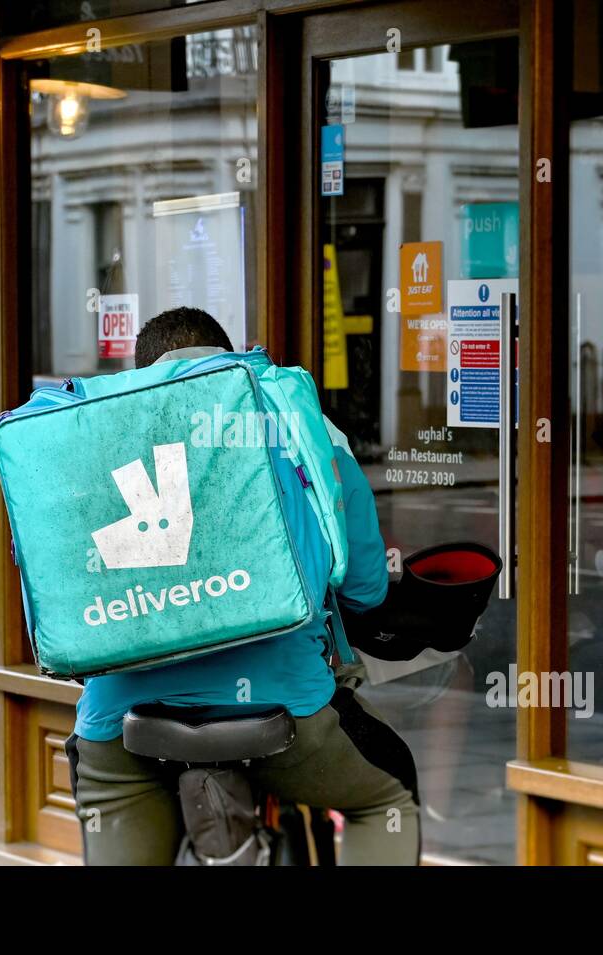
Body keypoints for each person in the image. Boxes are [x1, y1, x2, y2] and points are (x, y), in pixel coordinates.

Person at [65, 306, 421, 865]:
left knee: (113, 791)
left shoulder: (95, 444)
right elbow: (365, 592)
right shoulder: (304, 428)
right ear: (228, 357)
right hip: (283, 708)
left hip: (124, 720)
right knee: (385, 797)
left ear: (138, 376)